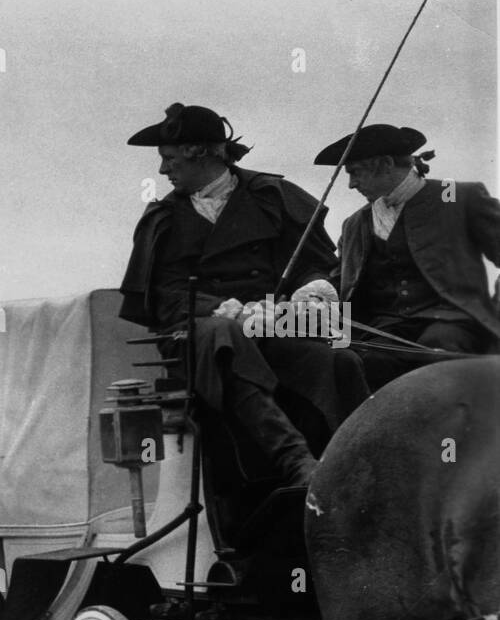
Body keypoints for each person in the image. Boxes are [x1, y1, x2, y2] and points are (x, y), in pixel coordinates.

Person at [120, 103, 368, 488]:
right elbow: (163, 298)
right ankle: (296, 462)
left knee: (340, 359)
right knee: (227, 335)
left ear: (199, 152)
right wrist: (223, 309)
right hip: (197, 337)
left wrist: (310, 293)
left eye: (169, 159)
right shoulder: (162, 219)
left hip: (272, 326)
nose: (162, 170)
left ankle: (358, 470)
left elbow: (317, 264)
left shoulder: (274, 197)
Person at [314, 124, 500, 390]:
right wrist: (315, 294)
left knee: (436, 359)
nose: (351, 184)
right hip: (383, 329)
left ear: (387, 164)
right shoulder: (355, 223)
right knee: (354, 364)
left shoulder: (457, 197)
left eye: (355, 172)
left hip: (451, 322)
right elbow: (339, 281)